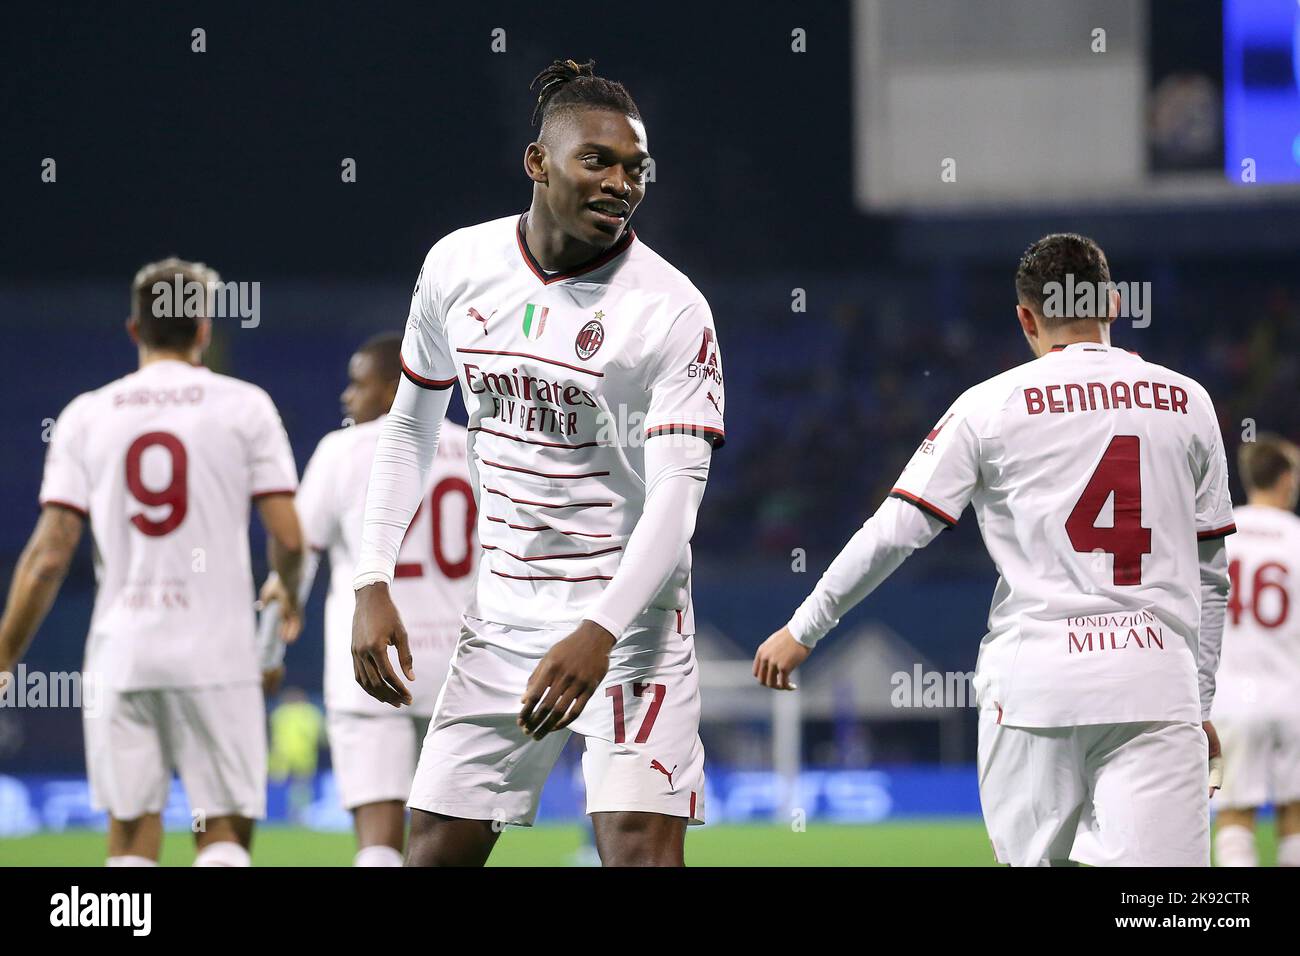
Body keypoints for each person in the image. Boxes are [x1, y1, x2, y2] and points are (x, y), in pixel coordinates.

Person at [754, 233, 1233, 867]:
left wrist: (805, 627)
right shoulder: (1189, 402)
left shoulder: (989, 405)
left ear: (1026, 318)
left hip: (1036, 684)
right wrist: (1197, 703)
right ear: (1115, 304)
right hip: (1155, 684)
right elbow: (1212, 577)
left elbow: (895, 530)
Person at [350, 58, 725, 866]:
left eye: (637, 169)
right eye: (600, 160)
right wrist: (371, 576)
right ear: (538, 163)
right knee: (434, 856)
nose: (623, 183)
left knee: (638, 853)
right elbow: (411, 429)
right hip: (500, 623)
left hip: (633, 632)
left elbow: (675, 504)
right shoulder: (456, 266)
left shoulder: (673, 309)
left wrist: (601, 628)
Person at [0, 257, 303, 866]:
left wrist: (5, 656)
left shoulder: (87, 414)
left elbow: (49, 554)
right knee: (221, 834)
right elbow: (291, 540)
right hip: (219, 654)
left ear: (134, 330)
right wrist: (285, 598)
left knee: (131, 842)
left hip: (124, 652)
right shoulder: (245, 407)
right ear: (203, 329)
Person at [261, 332, 477, 866]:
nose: (347, 398)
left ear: (391, 389)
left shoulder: (343, 450)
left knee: (378, 839)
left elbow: (295, 545)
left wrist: (280, 606)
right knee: (448, 841)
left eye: (358, 385)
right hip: (461, 666)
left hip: (371, 663)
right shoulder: (477, 450)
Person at [1211, 434, 1300, 866]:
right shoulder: (1297, 538)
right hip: (1292, 695)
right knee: (1296, 812)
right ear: (1286, 479)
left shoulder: (1221, 533)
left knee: (1234, 812)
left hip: (1231, 697)